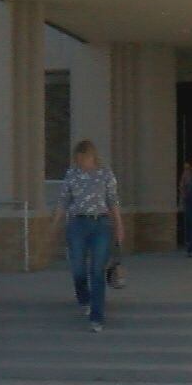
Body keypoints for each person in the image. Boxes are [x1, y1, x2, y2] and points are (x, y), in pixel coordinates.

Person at [55, 140, 123, 332]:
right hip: (77, 223)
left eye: (83, 159)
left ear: (91, 156)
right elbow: (63, 200)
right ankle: (84, 297)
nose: (80, 162)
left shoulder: (105, 174)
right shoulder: (72, 174)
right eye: (77, 159)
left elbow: (113, 201)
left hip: (100, 223)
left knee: (97, 270)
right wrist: (55, 223)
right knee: (77, 267)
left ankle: (97, 315)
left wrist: (119, 226)